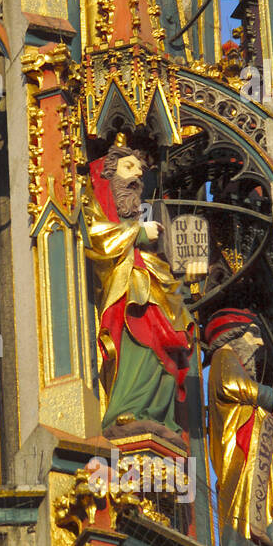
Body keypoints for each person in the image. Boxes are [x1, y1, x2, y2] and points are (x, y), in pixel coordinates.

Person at [81, 141, 195, 436]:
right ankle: (127, 410)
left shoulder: (136, 209)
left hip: (149, 278)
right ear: (109, 171)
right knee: (140, 343)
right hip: (126, 286)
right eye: (128, 167)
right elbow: (94, 235)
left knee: (170, 346)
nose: (136, 177)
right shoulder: (94, 198)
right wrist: (137, 233)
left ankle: (159, 415)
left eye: (140, 172)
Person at [204, 308, 273, 546]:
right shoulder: (224, 357)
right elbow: (231, 385)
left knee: (266, 494)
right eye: (254, 335)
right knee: (245, 495)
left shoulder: (232, 360)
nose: (260, 343)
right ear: (234, 336)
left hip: (251, 444)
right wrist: (270, 395)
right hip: (241, 447)